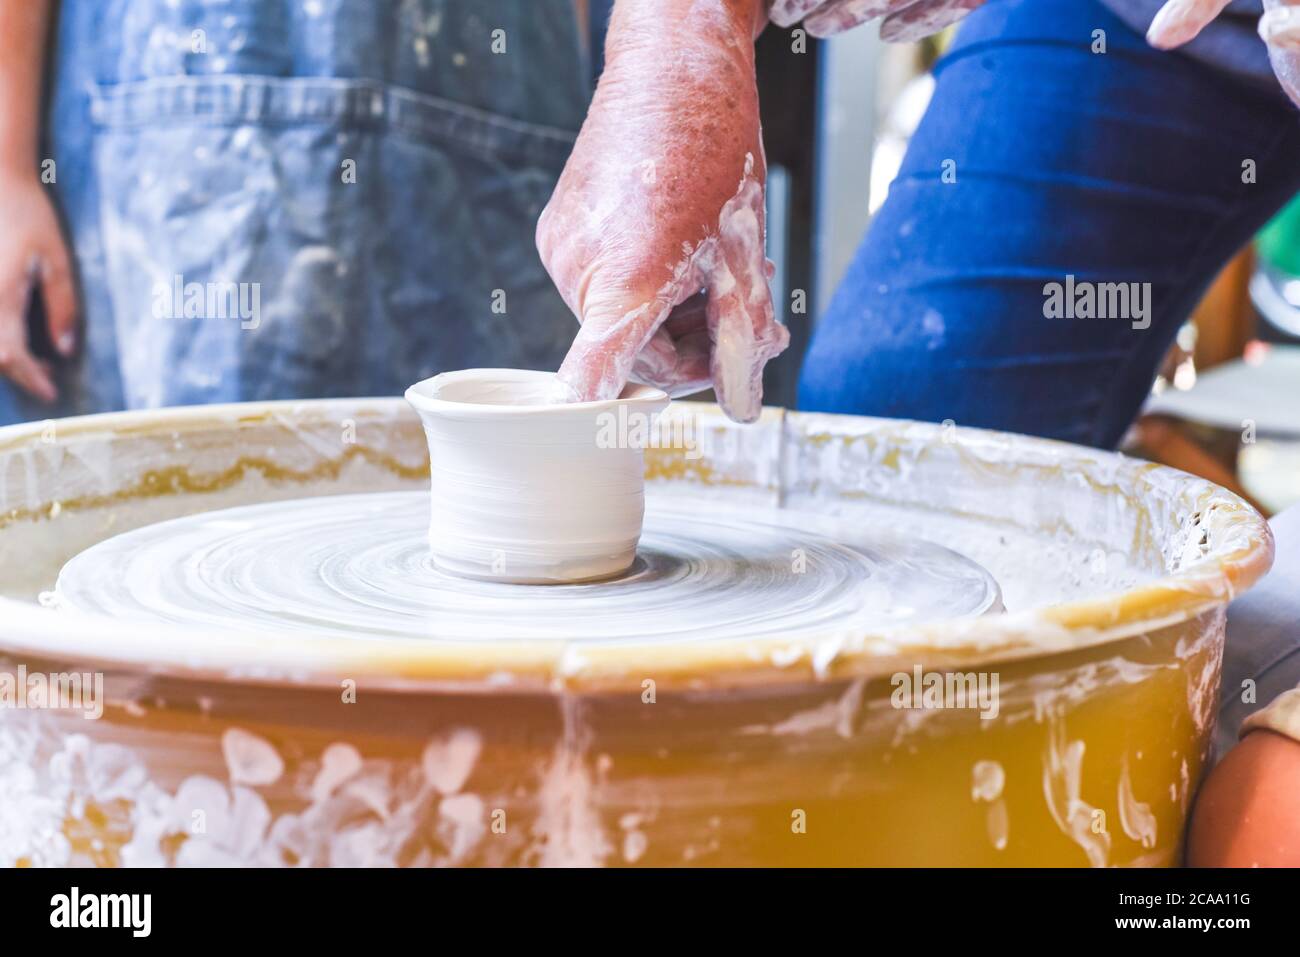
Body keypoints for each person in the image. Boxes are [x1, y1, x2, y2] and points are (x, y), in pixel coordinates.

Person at [0, 0, 593, 426]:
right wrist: (7, 171)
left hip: (506, 132)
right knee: (165, 507)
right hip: (169, 143)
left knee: (496, 486)